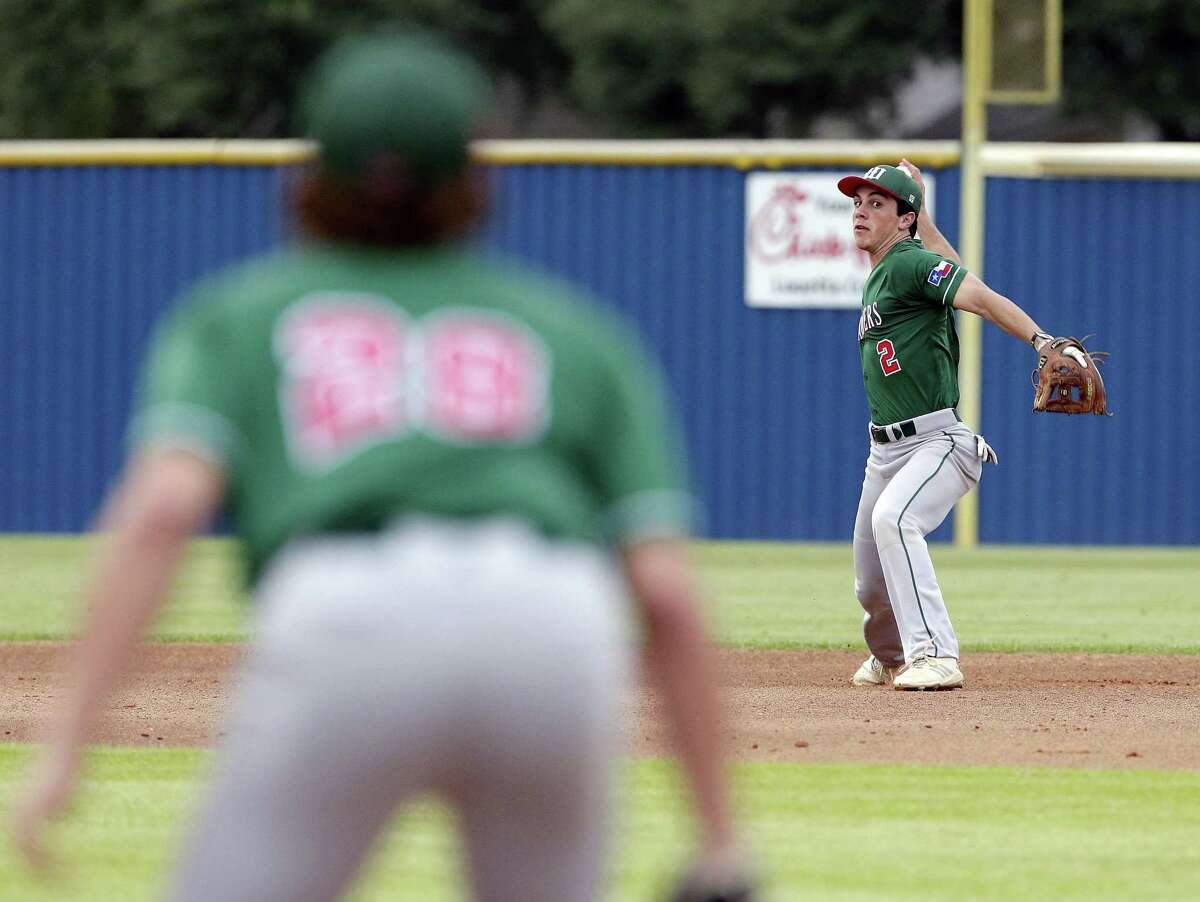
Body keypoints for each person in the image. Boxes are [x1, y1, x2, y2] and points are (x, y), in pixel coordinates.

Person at [9, 33, 755, 902]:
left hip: (347, 616)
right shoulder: (578, 334)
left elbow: (164, 510)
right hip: (554, 626)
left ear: (309, 178)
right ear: (476, 183)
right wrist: (721, 836)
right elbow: (664, 590)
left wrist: (65, 744)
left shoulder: (240, 315)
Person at [839, 160, 1057, 691]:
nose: (861, 211)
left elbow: (979, 297)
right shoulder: (888, 270)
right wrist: (923, 213)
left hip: (936, 440)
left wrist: (1042, 341)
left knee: (895, 520)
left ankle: (935, 654)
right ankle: (890, 657)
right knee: (870, 583)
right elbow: (956, 272)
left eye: (878, 203)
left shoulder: (909, 263)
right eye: (858, 202)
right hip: (884, 451)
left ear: (904, 220)